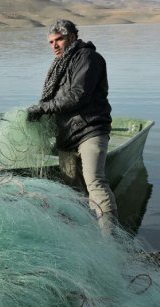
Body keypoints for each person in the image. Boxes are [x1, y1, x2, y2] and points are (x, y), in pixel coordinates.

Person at [27, 19, 118, 233]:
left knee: (95, 182)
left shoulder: (89, 58)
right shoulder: (59, 65)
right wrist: (41, 112)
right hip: (67, 136)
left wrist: (42, 109)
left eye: (59, 39)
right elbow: (54, 100)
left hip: (90, 130)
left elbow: (77, 96)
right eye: (51, 42)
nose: (55, 45)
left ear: (73, 36)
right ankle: (83, 234)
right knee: (71, 189)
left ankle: (111, 240)